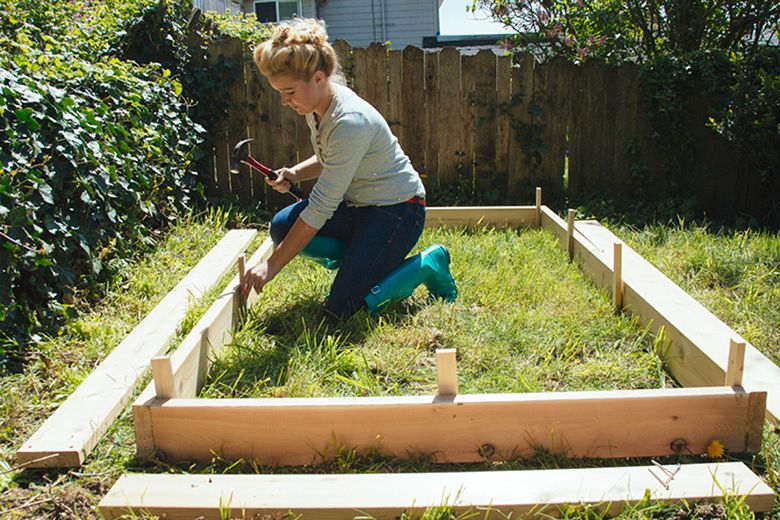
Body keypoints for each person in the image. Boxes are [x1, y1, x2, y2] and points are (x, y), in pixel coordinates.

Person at [241, 17, 456, 318]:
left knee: (344, 309)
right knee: (281, 226)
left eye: (289, 91)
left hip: (397, 211)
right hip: (359, 206)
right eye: (280, 92)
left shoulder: (349, 121)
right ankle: (364, 261)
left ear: (317, 78)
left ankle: (429, 264)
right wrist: (294, 173)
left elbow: (319, 209)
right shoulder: (317, 106)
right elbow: (333, 158)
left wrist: (272, 265)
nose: (284, 101)